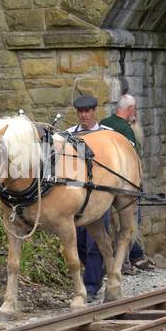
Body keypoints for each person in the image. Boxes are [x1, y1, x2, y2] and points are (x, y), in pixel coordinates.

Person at [101, 95, 155, 274]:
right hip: (124, 183)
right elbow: (132, 158)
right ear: (130, 109)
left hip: (103, 182)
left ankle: (130, 258)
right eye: (135, 109)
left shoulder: (103, 123)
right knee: (129, 223)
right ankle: (125, 262)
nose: (136, 113)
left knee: (107, 224)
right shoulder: (126, 129)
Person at [68, 95, 107, 300]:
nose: (84, 115)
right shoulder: (67, 135)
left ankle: (90, 286)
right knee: (80, 242)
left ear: (94, 112)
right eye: (80, 111)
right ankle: (97, 272)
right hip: (76, 195)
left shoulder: (106, 135)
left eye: (87, 111)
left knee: (94, 243)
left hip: (99, 194)